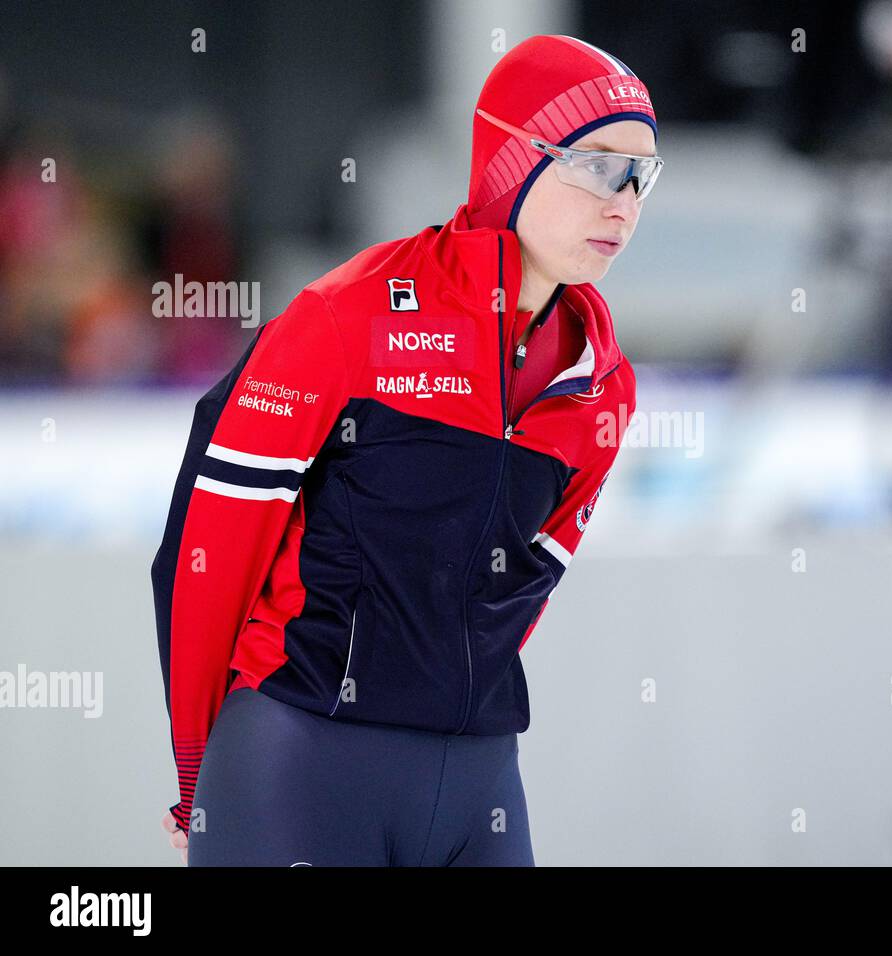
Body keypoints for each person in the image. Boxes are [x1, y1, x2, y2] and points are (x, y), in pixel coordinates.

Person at [152, 34, 662, 866]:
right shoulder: (349, 318)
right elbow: (207, 554)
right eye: (601, 165)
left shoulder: (601, 383)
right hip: (299, 758)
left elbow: (510, 607)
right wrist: (195, 773)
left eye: (643, 175)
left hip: (478, 777)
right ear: (513, 158)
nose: (625, 202)